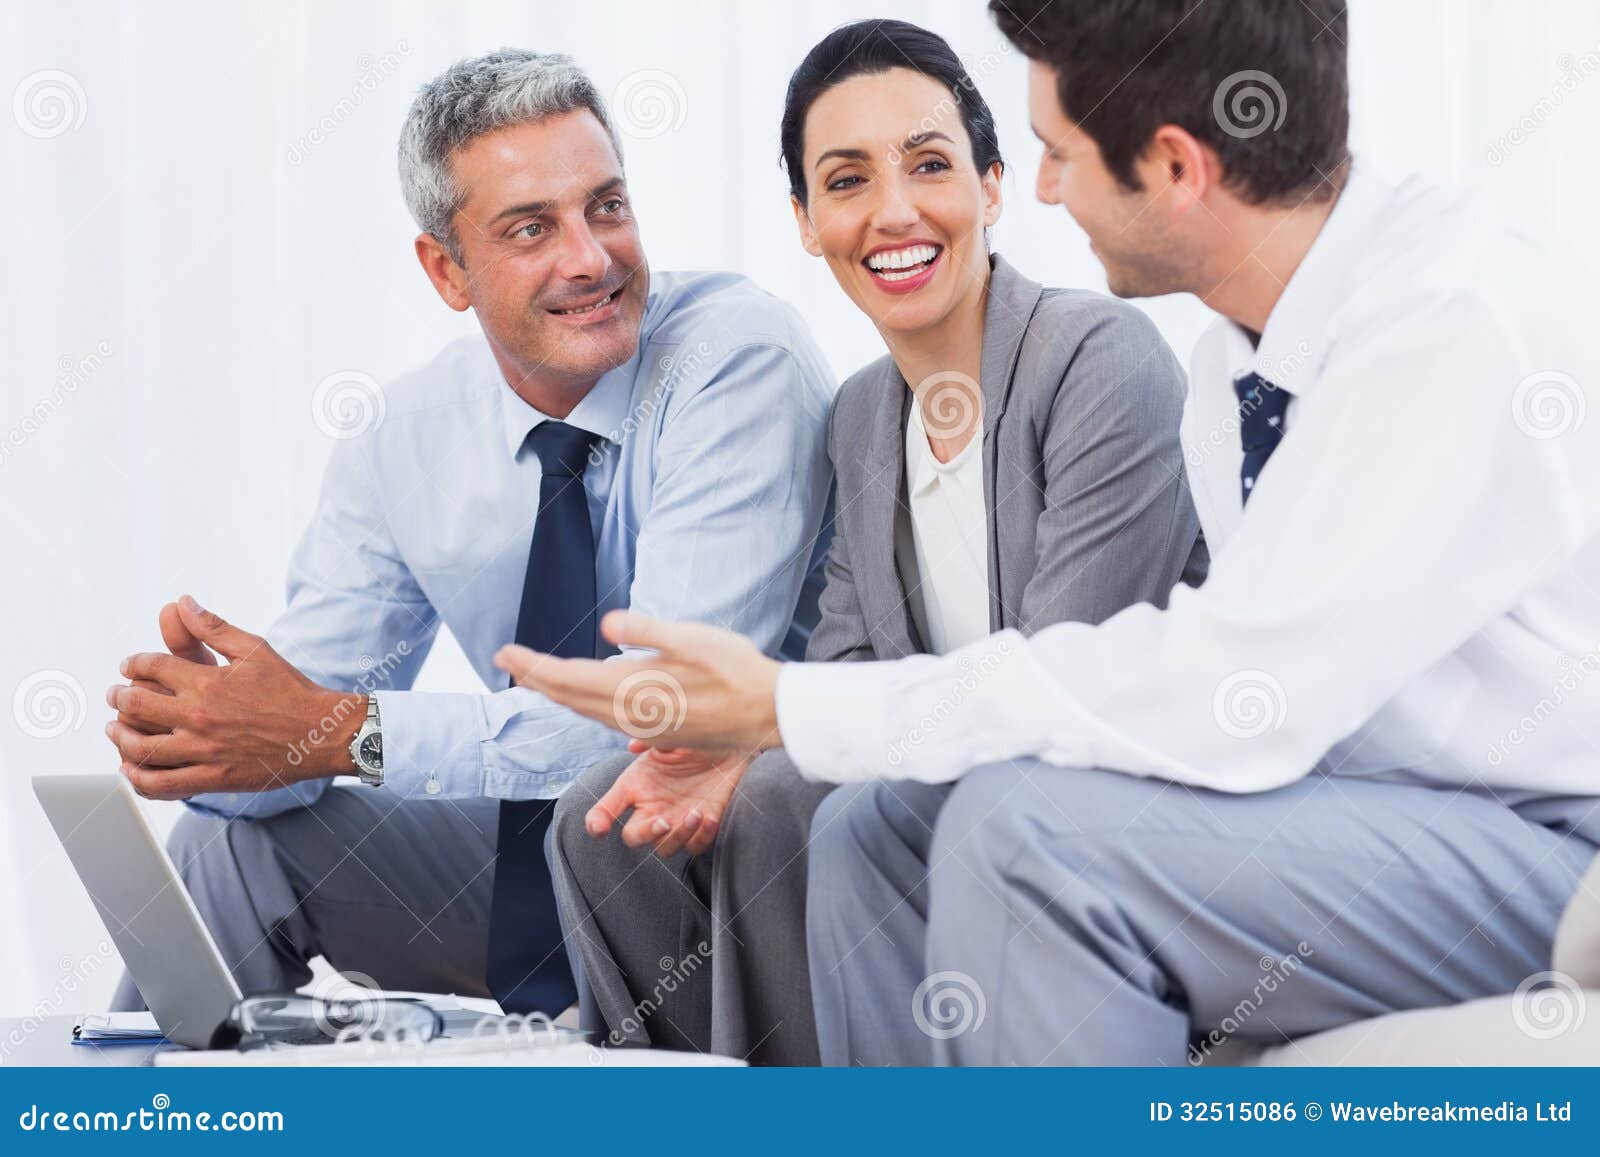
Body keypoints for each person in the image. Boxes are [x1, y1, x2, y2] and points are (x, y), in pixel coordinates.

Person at [499, 0, 1600, 1066]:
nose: (1044, 186)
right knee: (879, 831)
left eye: (1057, 150)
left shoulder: (1442, 331)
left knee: (1023, 834)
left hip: (1541, 845)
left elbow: (1233, 690)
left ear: (1174, 167)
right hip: (1357, 811)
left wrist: (785, 706)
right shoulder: (1239, 361)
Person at [102, 48, 835, 1019]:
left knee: (604, 793)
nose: (591, 257)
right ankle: (142, 1119)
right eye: (532, 228)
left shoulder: (735, 356)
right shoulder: (405, 435)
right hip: (534, 873)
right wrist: (208, 734)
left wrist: (330, 730)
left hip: (722, 851)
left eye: (606, 206)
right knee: (228, 844)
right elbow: (299, 730)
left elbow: (661, 718)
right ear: (447, 269)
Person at [544, 18, 1203, 1065]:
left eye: (930, 165)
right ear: (807, 222)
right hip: (923, 779)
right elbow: (849, 660)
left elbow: (1058, 682)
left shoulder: (1097, 359)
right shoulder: (860, 418)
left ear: (991, 186)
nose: (892, 211)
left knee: (777, 804)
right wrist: (742, 739)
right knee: (600, 817)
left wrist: (772, 741)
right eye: (845, 181)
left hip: (1081, 797)